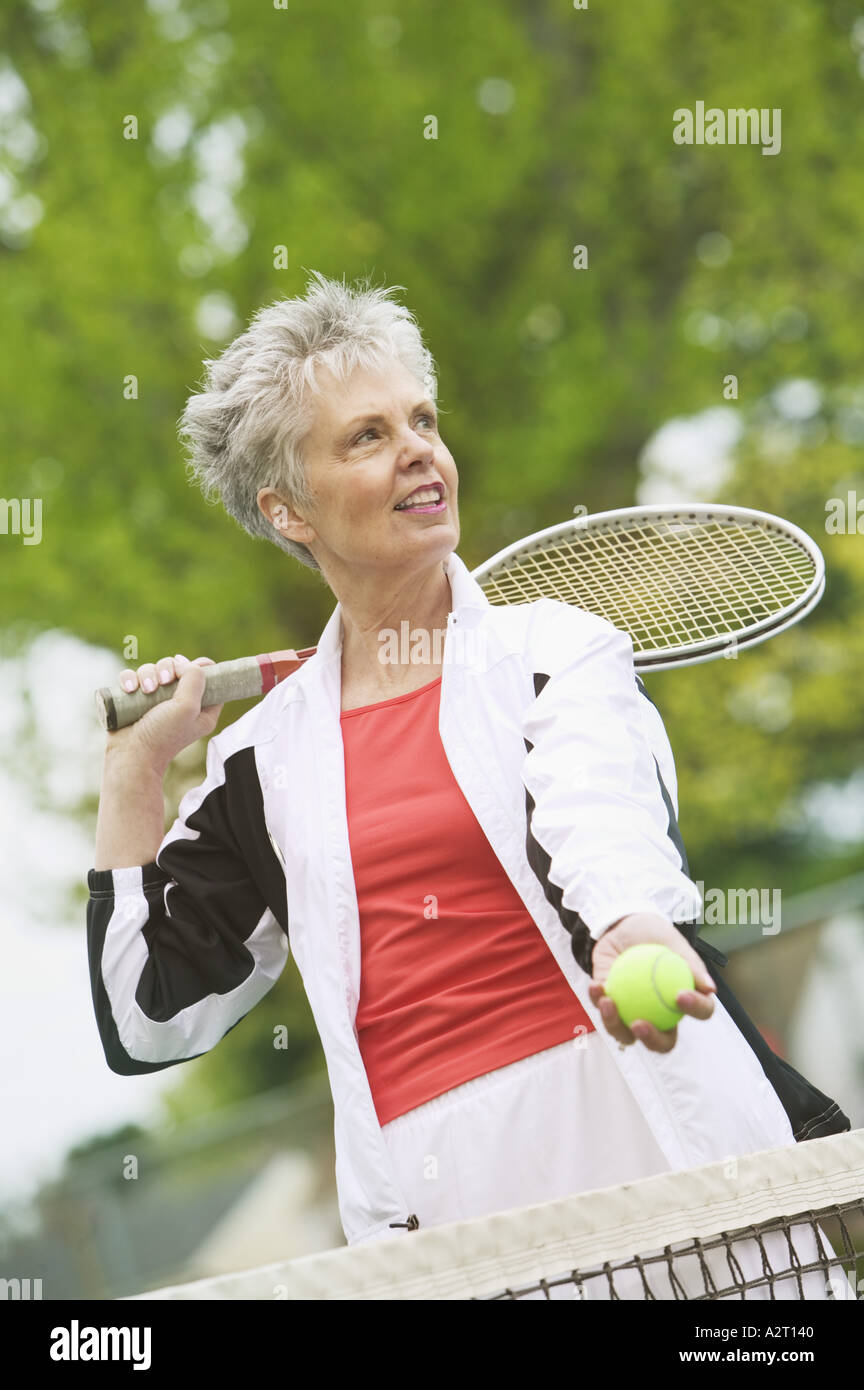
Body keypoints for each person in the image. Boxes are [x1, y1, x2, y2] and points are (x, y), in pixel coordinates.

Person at [87, 272, 849, 1298]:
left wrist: (632, 923)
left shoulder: (558, 650)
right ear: (287, 508)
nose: (419, 451)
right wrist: (134, 772)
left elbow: (599, 815)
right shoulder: (259, 762)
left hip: (663, 1159)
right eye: (365, 436)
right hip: (447, 1232)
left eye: (423, 419)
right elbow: (145, 1013)